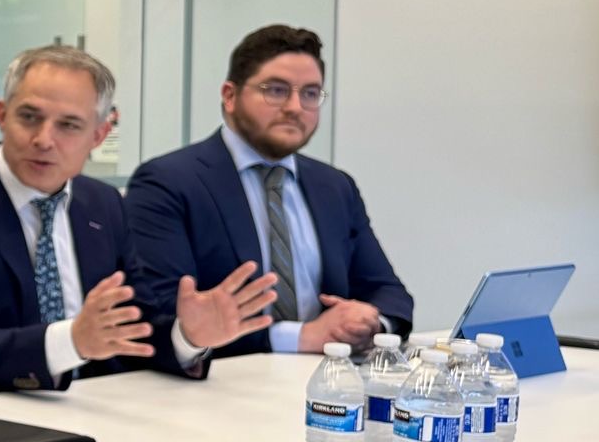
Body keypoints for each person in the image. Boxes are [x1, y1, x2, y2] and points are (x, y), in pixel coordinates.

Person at [0, 45, 277, 402]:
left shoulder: (103, 205)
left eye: (68, 125)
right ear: (2, 116)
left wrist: (188, 336)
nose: (43, 139)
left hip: (87, 413)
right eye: (29, 117)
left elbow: (129, 326)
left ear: (99, 134)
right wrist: (71, 342)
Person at [127, 25, 413, 358]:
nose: (295, 106)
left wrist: (370, 323)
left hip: (327, 382)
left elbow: (389, 293)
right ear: (230, 96)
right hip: (219, 388)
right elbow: (162, 319)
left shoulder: (334, 186)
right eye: (276, 90)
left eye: (310, 93)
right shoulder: (168, 182)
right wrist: (300, 337)